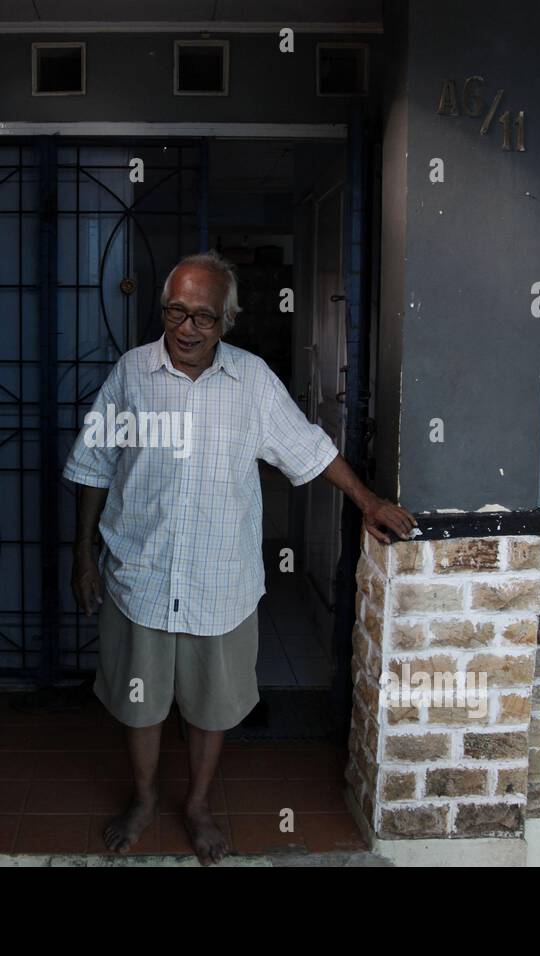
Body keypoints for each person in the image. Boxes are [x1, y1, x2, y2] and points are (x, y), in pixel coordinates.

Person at [62, 250, 416, 865]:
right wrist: (82, 555)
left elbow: (308, 447)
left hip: (219, 581)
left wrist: (367, 500)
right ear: (163, 311)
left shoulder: (251, 380)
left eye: (204, 316)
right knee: (139, 702)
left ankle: (196, 804)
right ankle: (144, 798)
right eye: (176, 311)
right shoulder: (130, 373)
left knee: (212, 705)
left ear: (227, 321)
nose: (188, 327)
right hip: (138, 573)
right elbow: (96, 465)